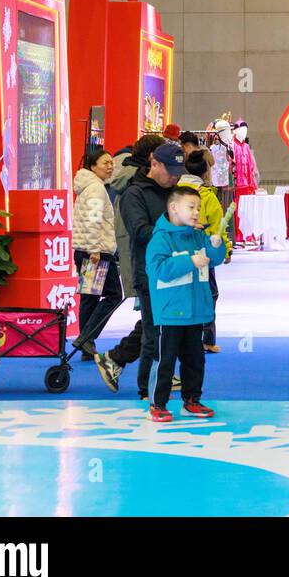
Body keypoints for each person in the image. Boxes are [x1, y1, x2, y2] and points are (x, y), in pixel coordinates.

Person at [95, 142, 184, 398]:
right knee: (153, 333)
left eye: (178, 172)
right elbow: (140, 232)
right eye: (170, 171)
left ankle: (152, 374)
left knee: (168, 329)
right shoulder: (134, 194)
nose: (175, 177)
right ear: (154, 163)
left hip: (177, 271)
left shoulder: (175, 191)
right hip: (149, 273)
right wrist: (176, 229)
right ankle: (147, 388)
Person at [143, 186, 227, 421]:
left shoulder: (197, 235)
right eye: (191, 207)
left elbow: (214, 260)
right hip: (170, 313)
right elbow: (159, 270)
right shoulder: (160, 239)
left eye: (198, 208)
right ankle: (157, 404)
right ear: (173, 208)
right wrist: (190, 261)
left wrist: (216, 245)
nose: (196, 212)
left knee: (194, 361)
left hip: (195, 312)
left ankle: (192, 400)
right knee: (165, 360)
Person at [71, 148, 122, 359]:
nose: (110, 167)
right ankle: (86, 338)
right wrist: (94, 250)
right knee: (114, 295)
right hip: (96, 252)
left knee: (90, 298)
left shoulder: (88, 186)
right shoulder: (96, 189)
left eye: (111, 163)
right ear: (93, 167)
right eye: (105, 163)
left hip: (87, 250)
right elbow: (93, 221)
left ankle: (86, 345)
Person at [183, 151, 232, 354]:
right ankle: (207, 339)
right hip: (203, 254)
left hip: (178, 254)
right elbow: (218, 227)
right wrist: (226, 249)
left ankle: (184, 339)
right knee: (210, 293)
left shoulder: (174, 192)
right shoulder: (207, 196)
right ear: (206, 172)